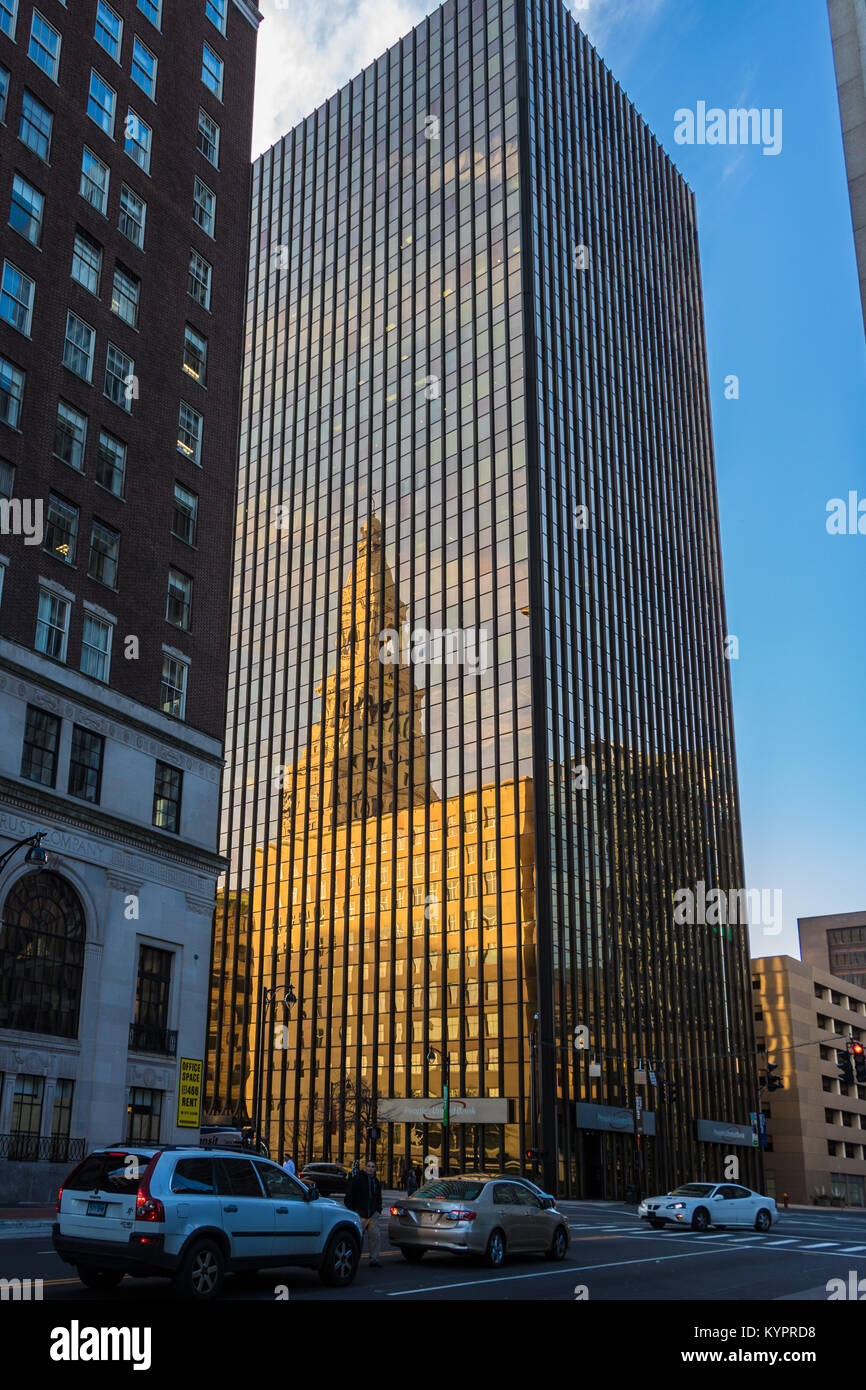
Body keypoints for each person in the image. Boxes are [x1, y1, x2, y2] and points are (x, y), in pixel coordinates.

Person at [345, 1160, 383, 1267]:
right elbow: (349, 1194)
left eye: (373, 1166)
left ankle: (374, 1259)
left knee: (375, 1237)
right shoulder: (358, 1179)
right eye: (369, 1166)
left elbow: (378, 1197)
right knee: (357, 1238)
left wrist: (378, 1209)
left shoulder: (376, 1182)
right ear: (365, 1168)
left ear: (375, 1169)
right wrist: (352, 1209)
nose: (371, 1168)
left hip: (373, 1214)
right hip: (360, 1214)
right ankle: (353, 1259)